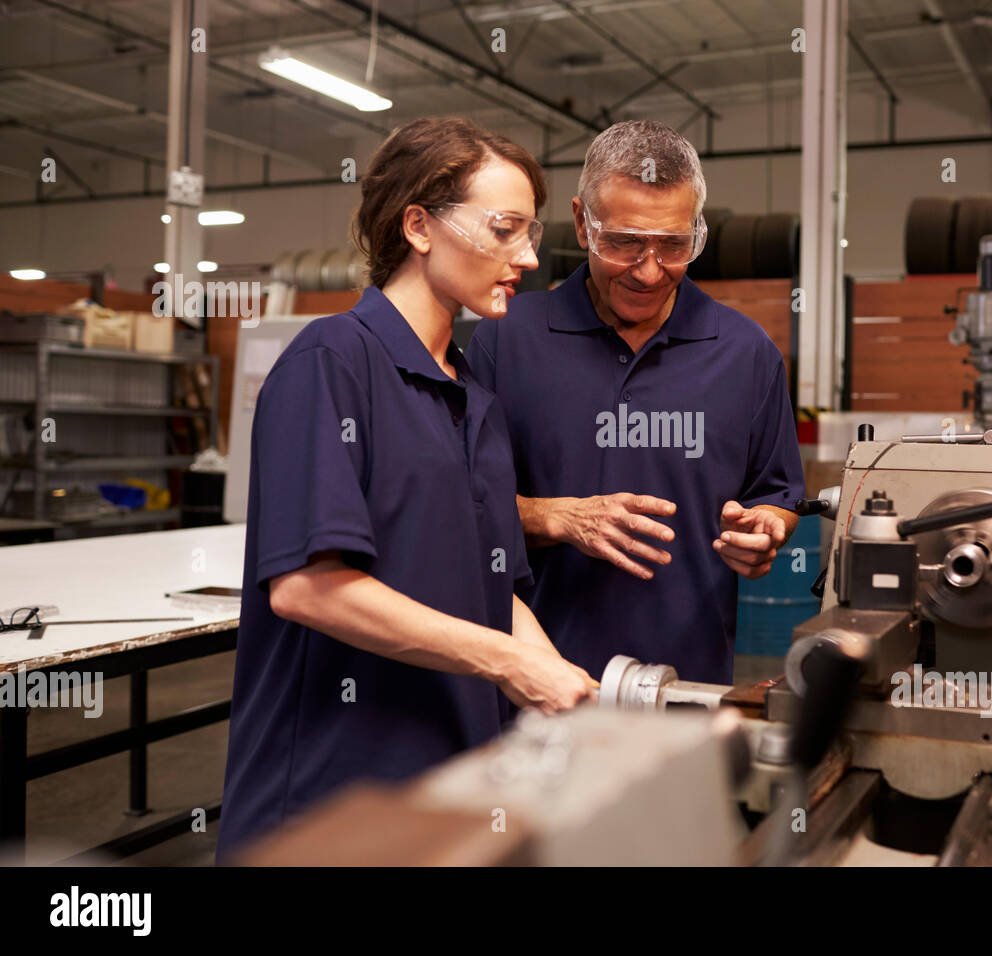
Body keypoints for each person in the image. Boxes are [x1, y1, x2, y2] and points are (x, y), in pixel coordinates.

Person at [217, 117, 595, 860]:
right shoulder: (329, 365)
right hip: (333, 801)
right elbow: (308, 588)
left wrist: (561, 687)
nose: (526, 256)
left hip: (454, 787)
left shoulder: (473, 394)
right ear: (419, 225)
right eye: (504, 228)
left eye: (531, 232)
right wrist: (510, 664)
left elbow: (493, 589)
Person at [466, 120, 804, 687]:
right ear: (581, 223)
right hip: (534, 682)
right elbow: (459, 502)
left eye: (674, 246)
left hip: (689, 686)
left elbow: (776, 495)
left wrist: (765, 530)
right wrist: (555, 517)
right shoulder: (506, 340)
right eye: (623, 242)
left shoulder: (746, 354)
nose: (649, 271)